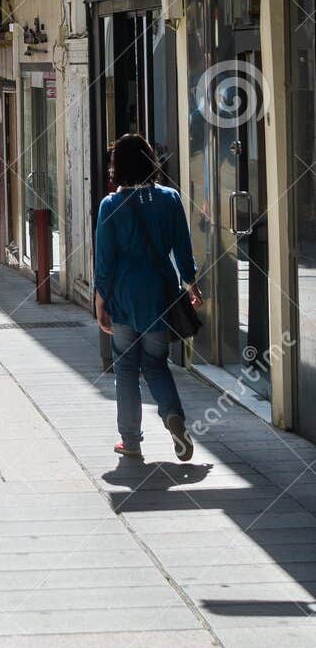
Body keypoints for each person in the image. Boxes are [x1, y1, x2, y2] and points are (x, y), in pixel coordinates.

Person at [94, 132, 202, 462]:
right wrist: (190, 282)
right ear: (150, 162)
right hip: (160, 294)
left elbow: (105, 260)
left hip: (124, 296)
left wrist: (100, 300)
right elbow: (183, 248)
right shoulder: (170, 199)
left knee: (126, 367)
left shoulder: (110, 205)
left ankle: (131, 441)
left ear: (117, 168)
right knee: (156, 363)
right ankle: (173, 417)